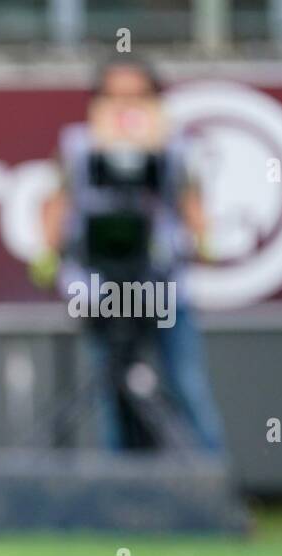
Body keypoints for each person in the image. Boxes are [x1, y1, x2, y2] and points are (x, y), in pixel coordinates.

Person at [36, 56, 225, 453]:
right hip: (101, 288)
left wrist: (205, 241)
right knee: (112, 389)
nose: (126, 107)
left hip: (162, 287)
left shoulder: (174, 150)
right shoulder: (78, 148)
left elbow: (193, 207)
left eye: (138, 96)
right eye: (115, 97)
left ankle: (212, 486)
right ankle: (121, 492)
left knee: (186, 385)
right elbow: (57, 203)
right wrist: (48, 253)